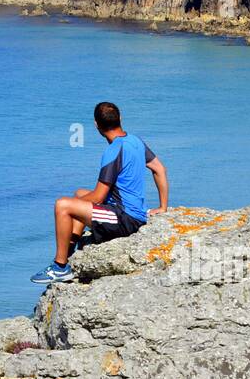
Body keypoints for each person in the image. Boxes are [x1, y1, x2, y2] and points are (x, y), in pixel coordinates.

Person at [31, 101, 168, 284]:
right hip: (131, 212)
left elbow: (98, 197)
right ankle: (71, 247)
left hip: (124, 219)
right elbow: (159, 169)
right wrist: (163, 207)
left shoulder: (113, 151)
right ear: (120, 118)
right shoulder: (135, 141)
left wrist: (72, 206)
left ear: (97, 125)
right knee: (80, 193)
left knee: (63, 205)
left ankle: (60, 266)